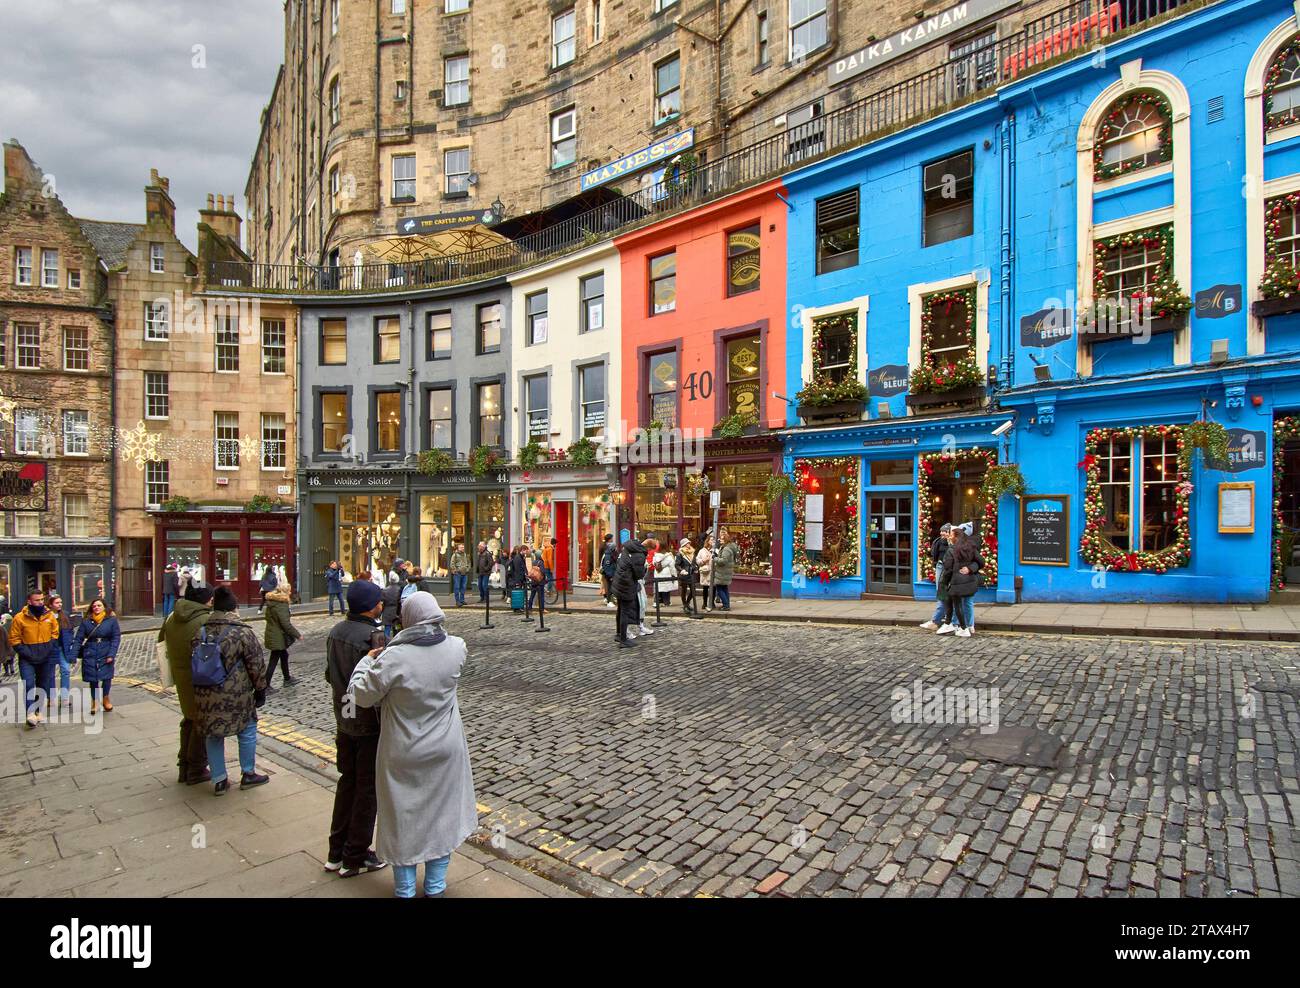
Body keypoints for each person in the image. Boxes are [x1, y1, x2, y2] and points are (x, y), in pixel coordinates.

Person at [347, 592, 478, 898]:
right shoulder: (456, 648)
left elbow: (361, 695)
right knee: (442, 816)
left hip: (403, 750)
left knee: (402, 819)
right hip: (445, 748)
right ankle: (435, 885)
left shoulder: (395, 657)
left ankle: (405, 889)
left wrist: (365, 664)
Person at [324, 579, 388, 878]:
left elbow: (329, 674)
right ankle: (356, 855)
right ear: (371, 605)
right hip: (367, 722)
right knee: (367, 789)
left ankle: (336, 852)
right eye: (379, 600)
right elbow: (380, 684)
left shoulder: (336, 632)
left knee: (346, 781)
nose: (382, 604)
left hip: (343, 718)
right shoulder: (373, 637)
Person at [193, 586, 270, 795]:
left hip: (205, 693)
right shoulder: (242, 631)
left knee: (213, 735)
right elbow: (256, 665)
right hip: (236, 693)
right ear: (234, 608)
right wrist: (260, 689)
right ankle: (248, 773)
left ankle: (219, 779)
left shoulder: (200, 630)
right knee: (247, 729)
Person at [158, 584, 215, 785]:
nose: (212, 601)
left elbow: (161, 642)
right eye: (210, 598)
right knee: (201, 722)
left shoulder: (172, 617)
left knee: (189, 719)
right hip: (200, 678)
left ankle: (184, 766)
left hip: (181, 676)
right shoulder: (204, 620)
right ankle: (196, 769)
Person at [8, 590, 59, 727]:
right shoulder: (19, 618)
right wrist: (25, 652)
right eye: (37, 600)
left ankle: (38, 711)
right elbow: (14, 638)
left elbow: (55, 632)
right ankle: (30, 713)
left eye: (42, 599)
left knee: (42, 685)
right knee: (29, 683)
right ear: (29, 602)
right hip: (27, 657)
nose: (40, 602)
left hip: (45, 656)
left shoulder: (49, 615)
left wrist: (49, 646)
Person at [75, 598, 121, 715]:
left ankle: (106, 698)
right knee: (93, 678)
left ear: (104, 607)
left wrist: (111, 654)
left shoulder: (111, 620)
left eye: (99, 605)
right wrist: (73, 655)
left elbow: (116, 638)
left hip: (105, 650)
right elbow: (79, 638)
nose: (96, 607)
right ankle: (95, 702)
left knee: (106, 677)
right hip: (90, 651)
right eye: (94, 606)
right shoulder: (86, 621)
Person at [938, 529, 983, 638]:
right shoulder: (970, 548)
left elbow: (948, 570)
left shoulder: (951, 550)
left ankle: (962, 627)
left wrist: (943, 582)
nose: (949, 537)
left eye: (951, 535)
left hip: (957, 582)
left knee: (958, 603)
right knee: (962, 603)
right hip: (969, 582)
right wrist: (970, 568)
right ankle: (961, 625)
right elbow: (981, 562)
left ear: (956, 537)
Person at [263, 581, 303, 687]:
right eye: (289, 591)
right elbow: (285, 624)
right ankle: (266, 685)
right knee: (274, 659)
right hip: (277, 636)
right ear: (285, 592)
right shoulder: (281, 604)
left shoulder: (272, 602)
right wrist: (297, 634)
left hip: (273, 633)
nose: (290, 593)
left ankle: (287, 679)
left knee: (284, 655)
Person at [611, 538, 647, 648]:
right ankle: (623, 639)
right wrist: (645, 568)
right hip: (627, 585)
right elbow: (639, 575)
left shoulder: (626, 550)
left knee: (620, 609)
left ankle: (619, 634)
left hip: (618, 583)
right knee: (625, 611)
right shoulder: (639, 555)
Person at [919, 523, 954, 632]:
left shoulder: (953, 543)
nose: (942, 533)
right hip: (940, 566)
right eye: (941, 531)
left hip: (949, 568)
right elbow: (933, 553)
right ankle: (940, 619)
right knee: (941, 592)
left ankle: (936, 620)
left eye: (945, 531)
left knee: (943, 593)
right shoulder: (938, 541)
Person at [49, 593, 76, 711]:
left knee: (65, 670)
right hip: (50, 648)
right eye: (57, 602)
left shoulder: (65, 615)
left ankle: (64, 698)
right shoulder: (46, 616)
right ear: (50, 604)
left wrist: (70, 641)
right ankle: (51, 697)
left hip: (62, 648)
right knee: (50, 674)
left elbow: (70, 630)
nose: (59, 604)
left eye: (60, 602)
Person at [712, 529, 738, 611]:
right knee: (724, 588)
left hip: (722, 572)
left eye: (721, 539)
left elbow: (723, 561)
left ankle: (726, 605)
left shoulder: (726, 549)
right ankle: (726, 604)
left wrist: (715, 558)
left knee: (720, 589)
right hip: (725, 572)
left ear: (725, 540)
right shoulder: (726, 547)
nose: (720, 540)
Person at [636, 539, 656, 638]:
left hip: (640, 583)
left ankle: (641, 626)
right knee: (638, 605)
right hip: (636, 584)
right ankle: (627, 630)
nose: (649, 551)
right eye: (649, 549)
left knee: (642, 604)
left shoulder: (641, 554)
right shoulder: (639, 554)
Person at [675, 538, 698, 614]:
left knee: (693, 591)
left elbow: (693, 563)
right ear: (684, 545)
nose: (689, 544)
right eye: (687, 543)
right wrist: (681, 570)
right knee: (684, 591)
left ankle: (687, 604)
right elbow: (677, 564)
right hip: (684, 574)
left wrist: (696, 567)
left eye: (689, 543)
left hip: (691, 574)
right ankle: (685, 605)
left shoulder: (692, 552)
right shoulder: (680, 553)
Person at [653, 542, 677, 606]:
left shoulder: (656, 555)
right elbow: (672, 566)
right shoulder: (669, 556)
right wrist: (674, 574)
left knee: (658, 588)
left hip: (657, 573)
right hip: (666, 573)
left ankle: (658, 602)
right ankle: (666, 602)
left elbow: (654, 563)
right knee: (666, 588)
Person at [380, 573, 403, 638]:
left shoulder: (385, 590)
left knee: (387, 630)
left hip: (387, 611)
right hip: (396, 612)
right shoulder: (400, 590)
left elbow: (382, 601)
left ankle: (385, 644)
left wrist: (380, 613)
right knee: (397, 630)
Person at [598, 534, 618, 608]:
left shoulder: (604, 548)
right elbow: (607, 562)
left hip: (605, 569)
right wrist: (610, 574)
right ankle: (608, 599)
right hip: (608, 570)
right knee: (608, 585)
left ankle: (607, 598)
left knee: (605, 585)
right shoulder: (608, 553)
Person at [449, 541, 471, 607]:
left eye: (463, 547)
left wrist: (468, 569)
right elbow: (452, 564)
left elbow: (469, 562)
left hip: (465, 574)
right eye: (461, 547)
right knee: (457, 587)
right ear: (458, 548)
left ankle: (462, 600)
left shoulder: (465, 555)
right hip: (457, 574)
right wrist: (455, 570)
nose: (463, 548)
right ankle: (457, 601)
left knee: (463, 587)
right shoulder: (455, 555)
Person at [696, 536, 714, 611]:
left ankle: (712, 602)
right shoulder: (702, 551)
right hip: (705, 572)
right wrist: (703, 561)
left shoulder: (715, 550)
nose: (713, 541)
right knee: (705, 588)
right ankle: (705, 603)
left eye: (714, 540)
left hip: (713, 571)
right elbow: (697, 560)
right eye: (711, 540)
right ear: (708, 541)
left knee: (713, 588)